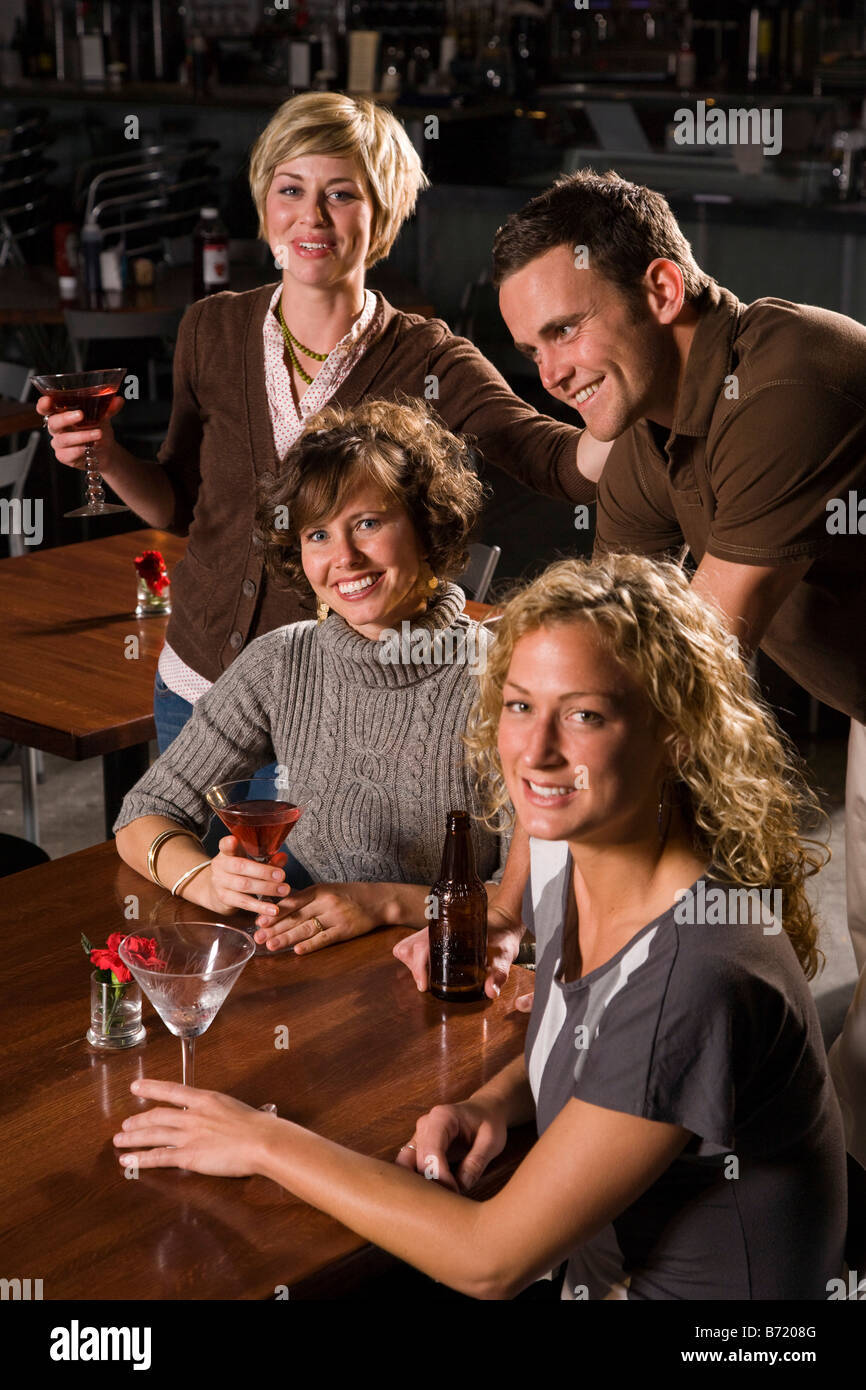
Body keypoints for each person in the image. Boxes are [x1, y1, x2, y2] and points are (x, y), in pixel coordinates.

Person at [113, 554, 847, 1300]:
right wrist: (493, 1104)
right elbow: (597, 1036)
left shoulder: (692, 971)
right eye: (520, 706)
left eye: (585, 714)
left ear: (677, 736)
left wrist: (261, 1140)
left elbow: (491, 1260)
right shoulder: (586, 864)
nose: (535, 751)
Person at [37, 92, 610, 766]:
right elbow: (178, 504)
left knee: (316, 878)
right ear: (265, 204)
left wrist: (635, 397)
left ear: (383, 214)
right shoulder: (211, 327)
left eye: (340, 194)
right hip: (196, 694)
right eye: (290, 189)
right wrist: (105, 455)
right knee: (190, 869)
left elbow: (558, 462)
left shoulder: (428, 357)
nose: (311, 216)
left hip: (340, 713)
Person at [483, 169, 866, 1169]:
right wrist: (506, 905)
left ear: (660, 291)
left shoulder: (786, 383)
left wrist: (595, 942)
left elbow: (688, 684)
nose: (547, 374)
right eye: (529, 351)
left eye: (564, 330)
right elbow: (595, 673)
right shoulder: (647, 429)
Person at [113, 398, 516, 976]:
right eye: (318, 535)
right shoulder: (283, 660)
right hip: (319, 967)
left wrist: (383, 904)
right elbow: (143, 813)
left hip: (455, 970)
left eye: (368, 524)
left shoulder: (506, 674)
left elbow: (526, 905)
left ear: (427, 527)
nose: (344, 558)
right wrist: (205, 878)